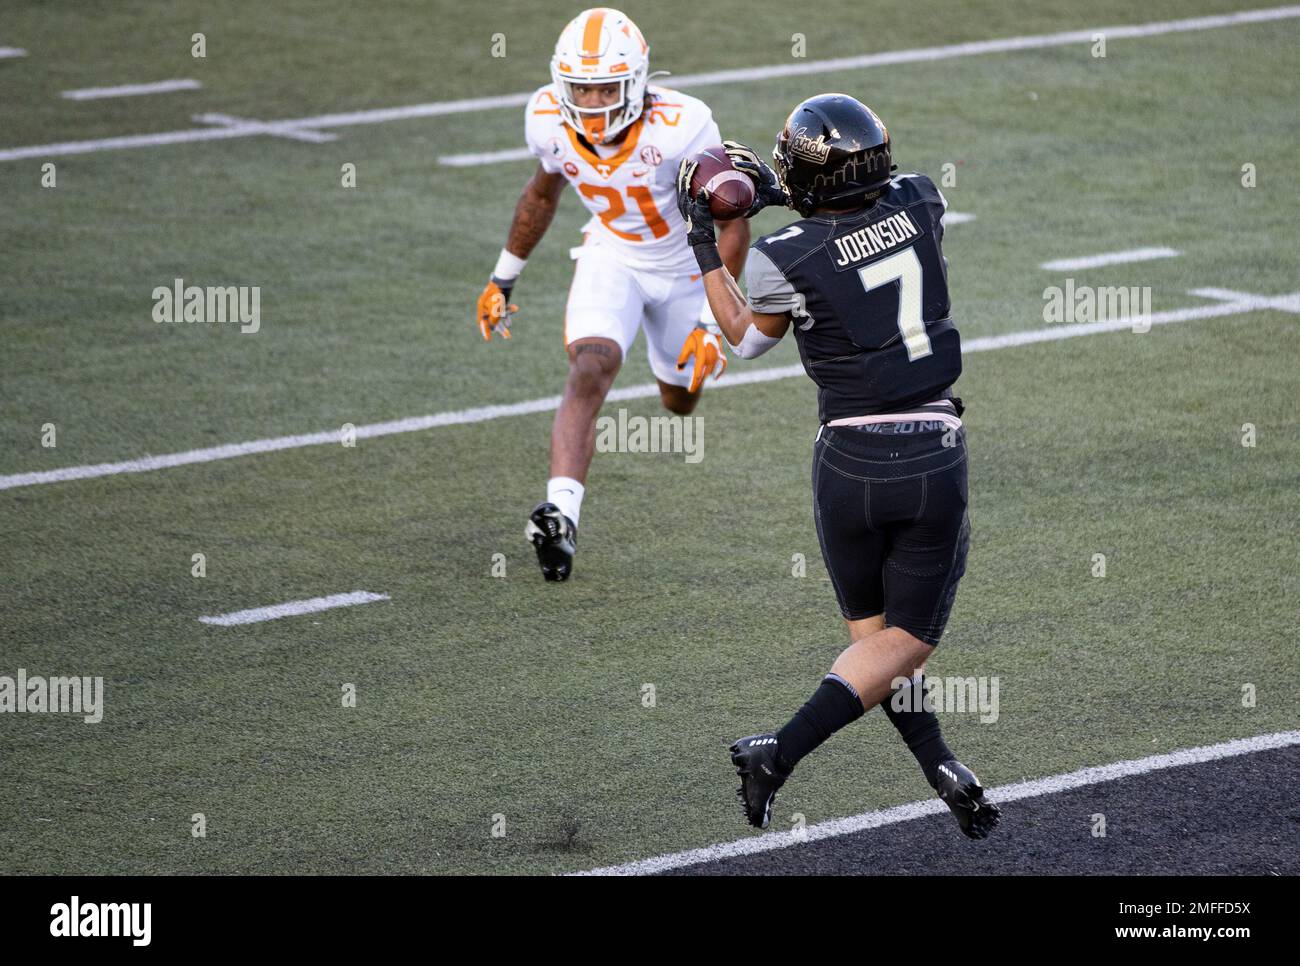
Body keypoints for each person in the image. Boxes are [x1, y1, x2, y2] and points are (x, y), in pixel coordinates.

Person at [676, 93, 1000, 838]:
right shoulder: (923, 199)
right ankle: (779, 753)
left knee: (874, 644)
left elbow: (743, 337)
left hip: (846, 466)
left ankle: (939, 764)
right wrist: (797, 187)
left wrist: (709, 232)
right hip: (927, 454)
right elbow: (868, 206)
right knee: (904, 643)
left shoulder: (781, 255)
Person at [475, 7, 749, 581]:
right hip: (613, 255)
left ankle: (675, 368)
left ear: (636, 82)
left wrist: (707, 320)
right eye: (580, 89)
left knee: (679, 401)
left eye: (605, 90)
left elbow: (731, 223)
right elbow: (542, 194)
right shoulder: (547, 118)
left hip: (686, 269)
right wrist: (504, 275)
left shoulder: (684, 123)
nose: (592, 103)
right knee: (590, 369)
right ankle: (562, 518)